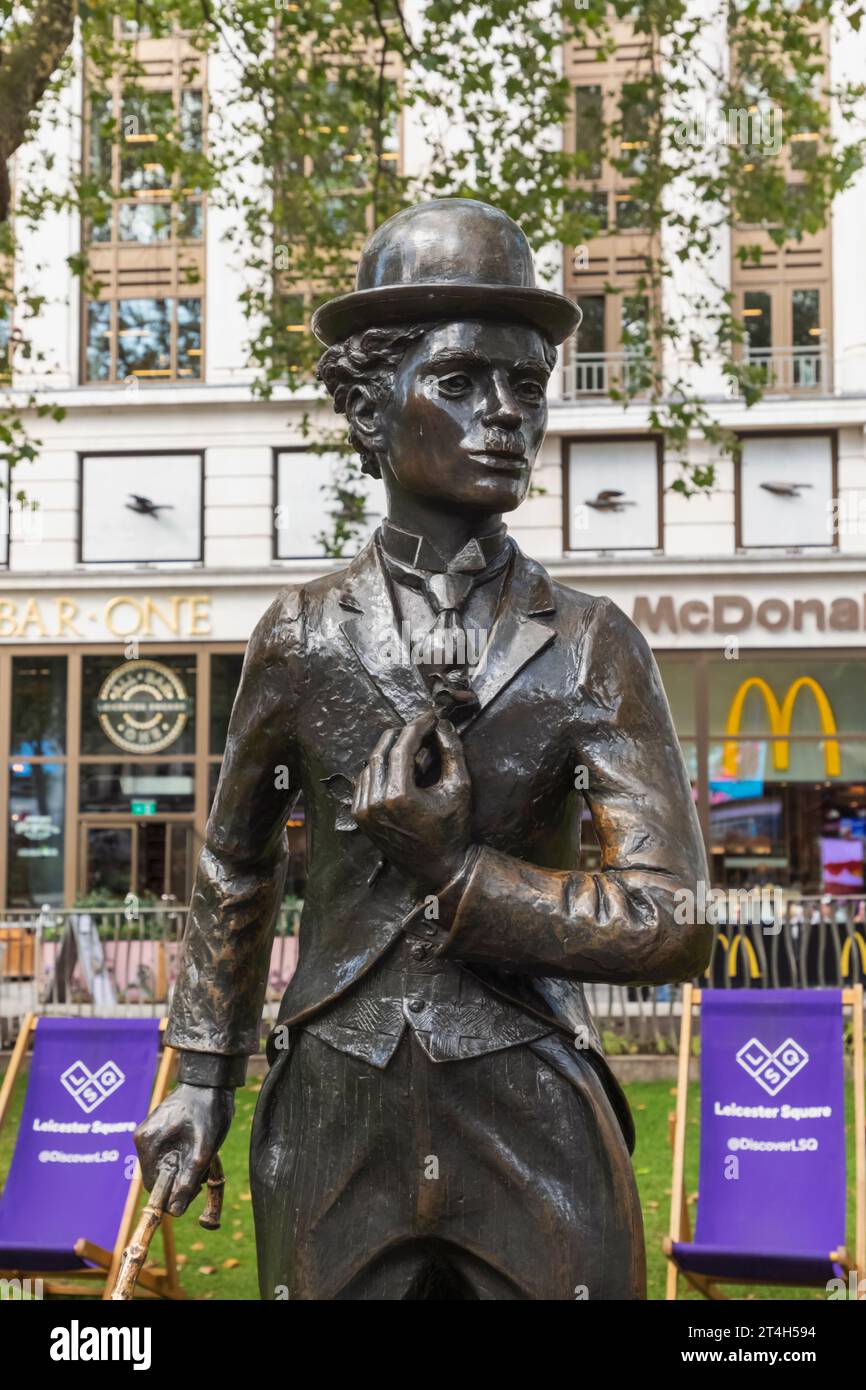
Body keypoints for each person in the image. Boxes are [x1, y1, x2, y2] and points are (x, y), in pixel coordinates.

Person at [135, 198, 710, 1300]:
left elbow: (670, 917)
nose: (505, 416)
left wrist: (459, 875)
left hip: (529, 1105)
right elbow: (231, 861)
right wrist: (203, 1077)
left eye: (525, 387)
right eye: (459, 383)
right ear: (364, 405)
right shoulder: (299, 637)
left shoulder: (591, 643)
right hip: (332, 1116)